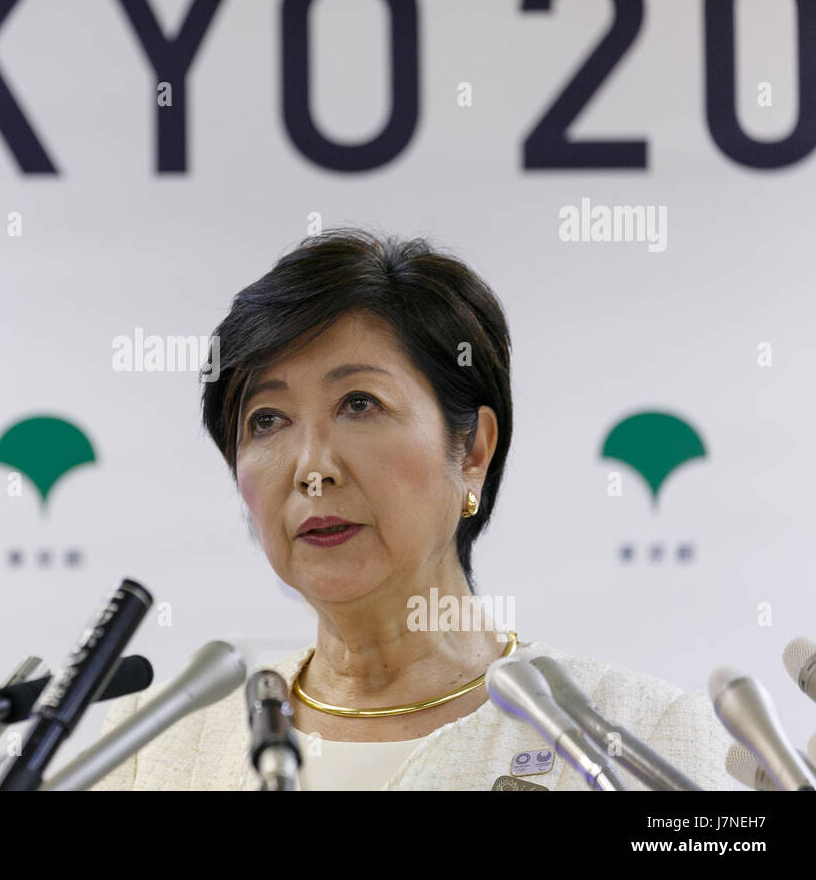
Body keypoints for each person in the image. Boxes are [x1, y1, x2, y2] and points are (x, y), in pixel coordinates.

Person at [90, 228, 735, 790]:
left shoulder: (641, 738)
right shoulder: (149, 751)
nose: (313, 468)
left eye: (359, 404)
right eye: (267, 420)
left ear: (473, 451)